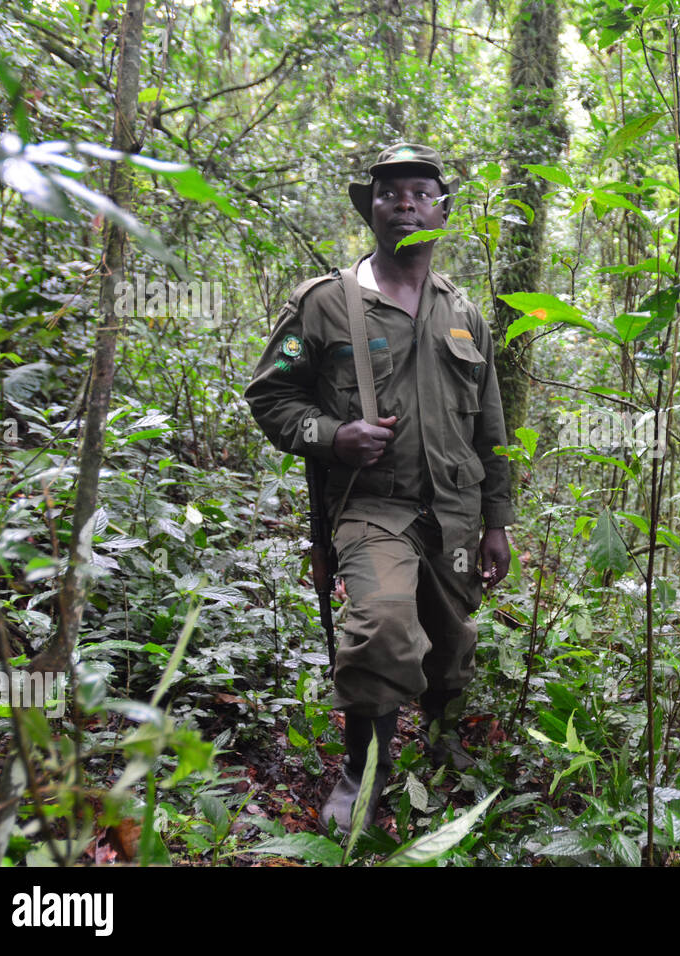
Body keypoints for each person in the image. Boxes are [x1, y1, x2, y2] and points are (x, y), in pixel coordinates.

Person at [244, 143, 514, 833]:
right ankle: (362, 771)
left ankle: (442, 741)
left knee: (451, 649)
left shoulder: (465, 314)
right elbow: (271, 397)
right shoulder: (325, 304)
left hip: (454, 513)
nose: (406, 202)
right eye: (392, 192)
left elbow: (492, 428)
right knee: (384, 626)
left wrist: (496, 522)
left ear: (443, 211)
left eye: (422, 192)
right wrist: (333, 436)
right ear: (371, 208)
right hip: (371, 508)